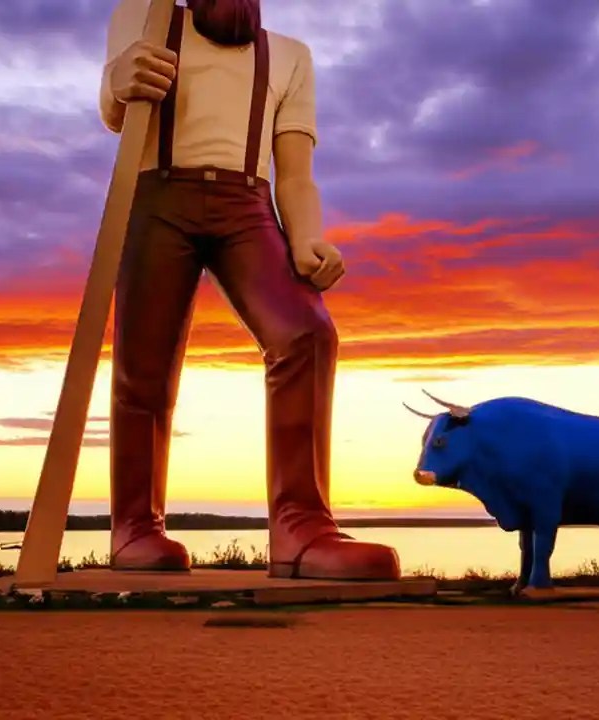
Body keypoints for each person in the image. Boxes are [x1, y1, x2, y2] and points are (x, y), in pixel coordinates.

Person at [98, 0, 401, 580]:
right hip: (157, 196)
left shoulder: (290, 56)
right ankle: (135, 526)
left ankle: (303, 528)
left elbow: (296, 173)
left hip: (246, 203)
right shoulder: (146, 15)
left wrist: (307, 237)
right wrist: (118, 82)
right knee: (144, 365)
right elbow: (116, 110)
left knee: (306, 333)